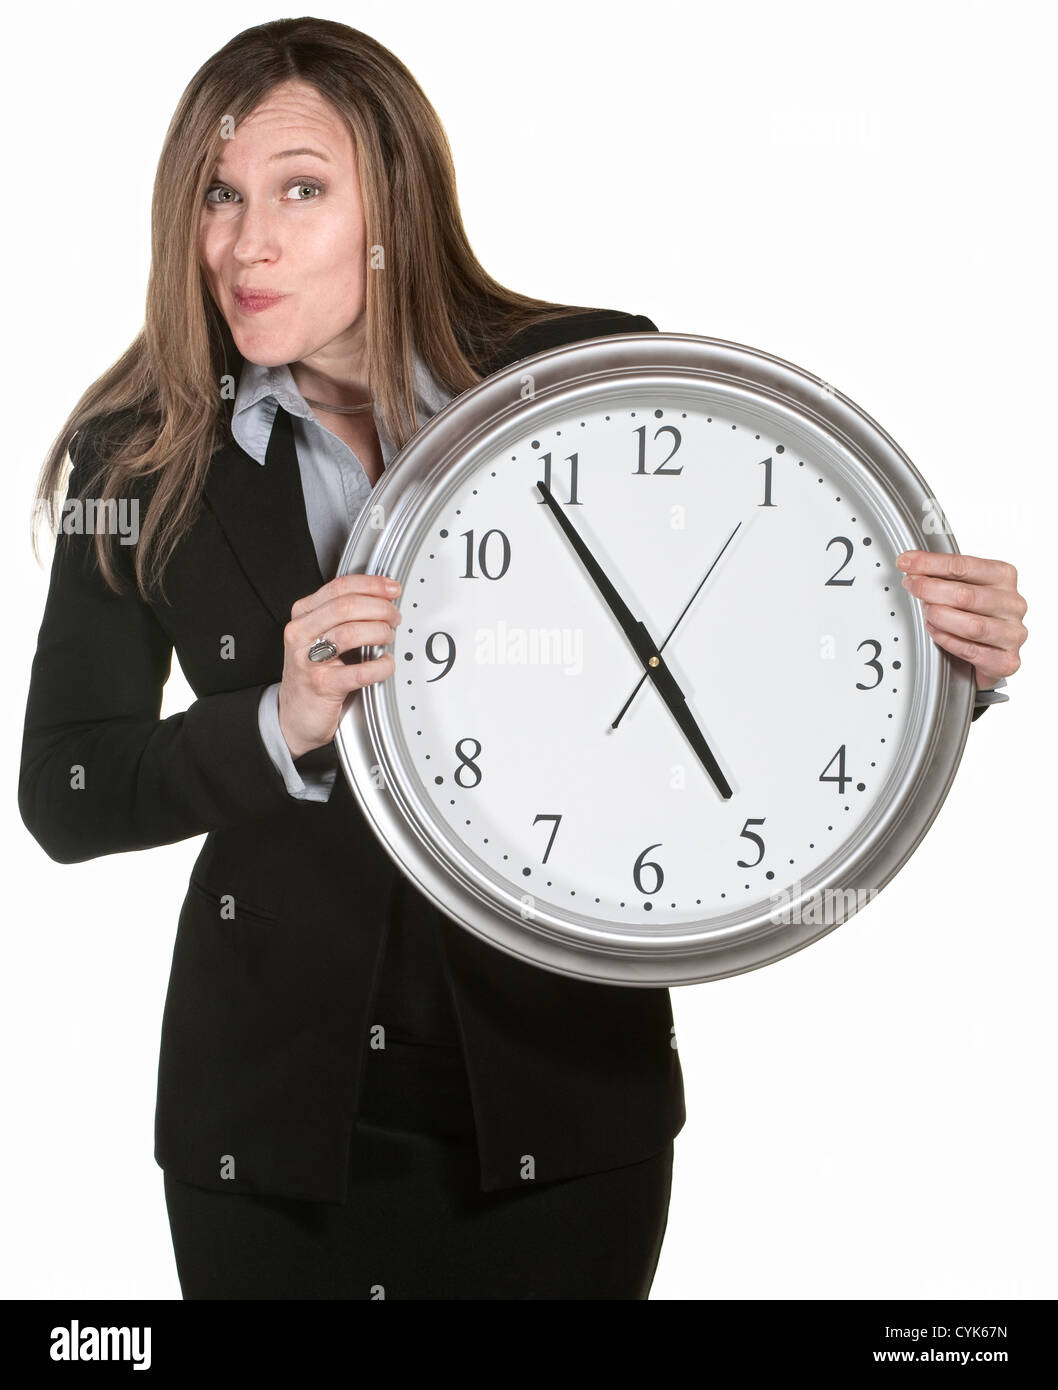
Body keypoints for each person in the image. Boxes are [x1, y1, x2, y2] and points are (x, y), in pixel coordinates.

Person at [20, 18, 1028, 1301]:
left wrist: (942, 659)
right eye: (217, 196)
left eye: (299, 190)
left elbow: (719, 646)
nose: (245, 242)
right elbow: (66, 791)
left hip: (560, 1103)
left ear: (395, 200)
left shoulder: (585, 375)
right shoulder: (143, 454)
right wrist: (281, 719)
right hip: (270, 1120)